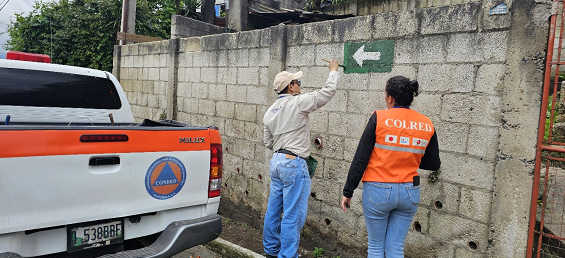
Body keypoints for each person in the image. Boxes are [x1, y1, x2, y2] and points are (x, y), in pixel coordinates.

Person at [341, 76, 440, 258]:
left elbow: (361, 159)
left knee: (376, 247)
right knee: (395, 247)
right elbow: (434, 163)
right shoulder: (426, 123)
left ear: (390, 98)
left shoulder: (379, 118)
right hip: (410, 192)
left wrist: (348, 191)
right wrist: (411, 156)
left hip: (378, 190)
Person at [262, 59, 340, 258]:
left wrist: (284, 146)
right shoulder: (297, 102)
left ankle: (271, 250)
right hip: (293, 164)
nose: (299, 86)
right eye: (298, 83)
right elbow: (325, 94)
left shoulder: (270, 112)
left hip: (277, 162)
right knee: (293, 214)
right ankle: (287, 255)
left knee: (273, 209)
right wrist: (333, 72)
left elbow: (268, 141)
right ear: (290, 86)